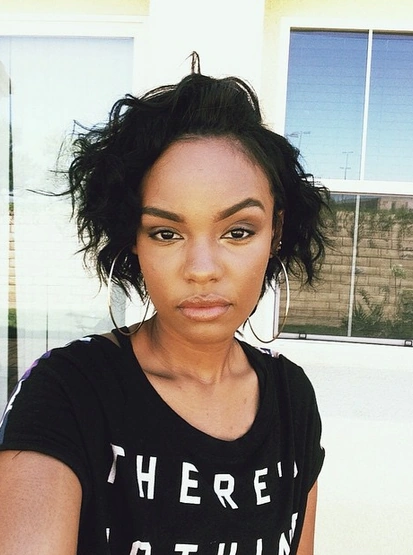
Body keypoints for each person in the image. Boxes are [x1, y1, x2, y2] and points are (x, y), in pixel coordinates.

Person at [0, 59, 328, 555]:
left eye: (238, 231)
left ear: (275, 233)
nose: (202, 269)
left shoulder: (292, 399)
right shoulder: (69, 393)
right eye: (166, 233)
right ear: (134, 240)